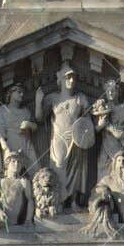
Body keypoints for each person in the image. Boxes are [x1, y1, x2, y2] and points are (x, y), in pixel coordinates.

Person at [36, 66, 96, 208]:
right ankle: (59, 200)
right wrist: (38, 101)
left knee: (76, 169)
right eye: (67, 77)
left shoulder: (80, 99)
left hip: (76, 138)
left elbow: (88, 121)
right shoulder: (53, 99)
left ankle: (74, 201)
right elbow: (39, 118)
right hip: (59, 138)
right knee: (59, 166)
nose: (71, 80)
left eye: (73, 77)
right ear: (60, 80)